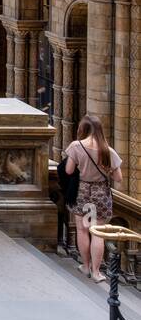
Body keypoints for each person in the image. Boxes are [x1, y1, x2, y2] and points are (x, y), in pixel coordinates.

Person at [64, 114, 123, 281]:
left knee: (82, 229)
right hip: (101, 193)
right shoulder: (108, 151)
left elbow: (68, 171)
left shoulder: (76, 146)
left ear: (83, 129)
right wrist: (108, 170)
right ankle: (97, 272)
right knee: (97, 232)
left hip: (83, 190)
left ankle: (85, 266)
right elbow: (119, 178)